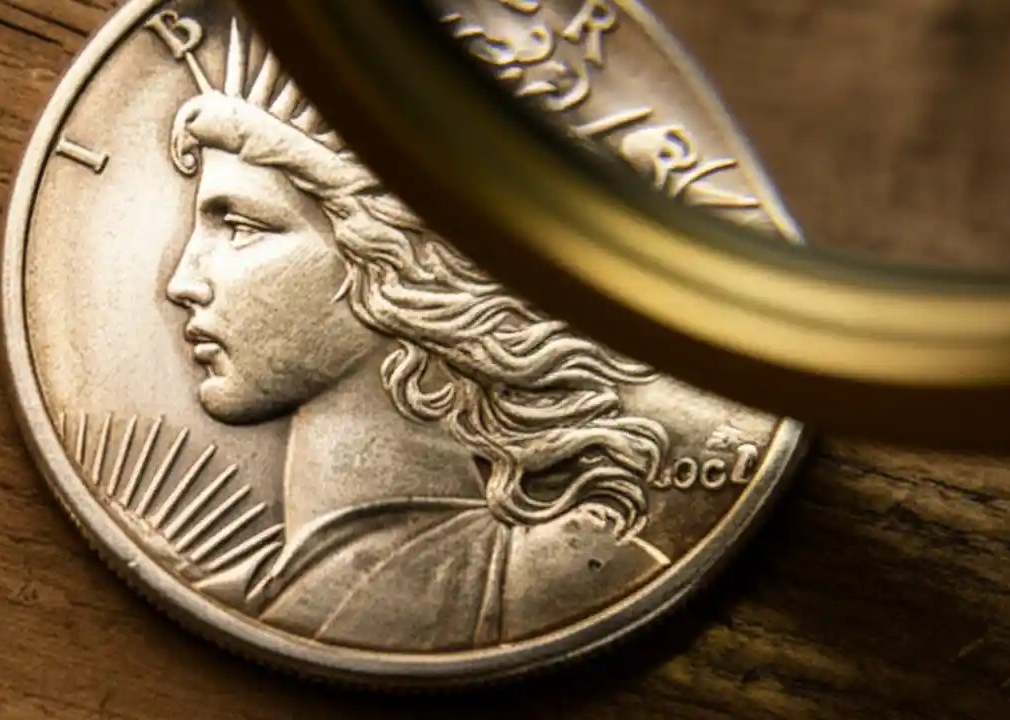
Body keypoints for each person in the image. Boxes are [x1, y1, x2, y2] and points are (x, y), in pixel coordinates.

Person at [161, 23, 674, 651]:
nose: (182, 281)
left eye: (240, 226)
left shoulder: (565, 576)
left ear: (398, 251)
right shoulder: (245, 593)